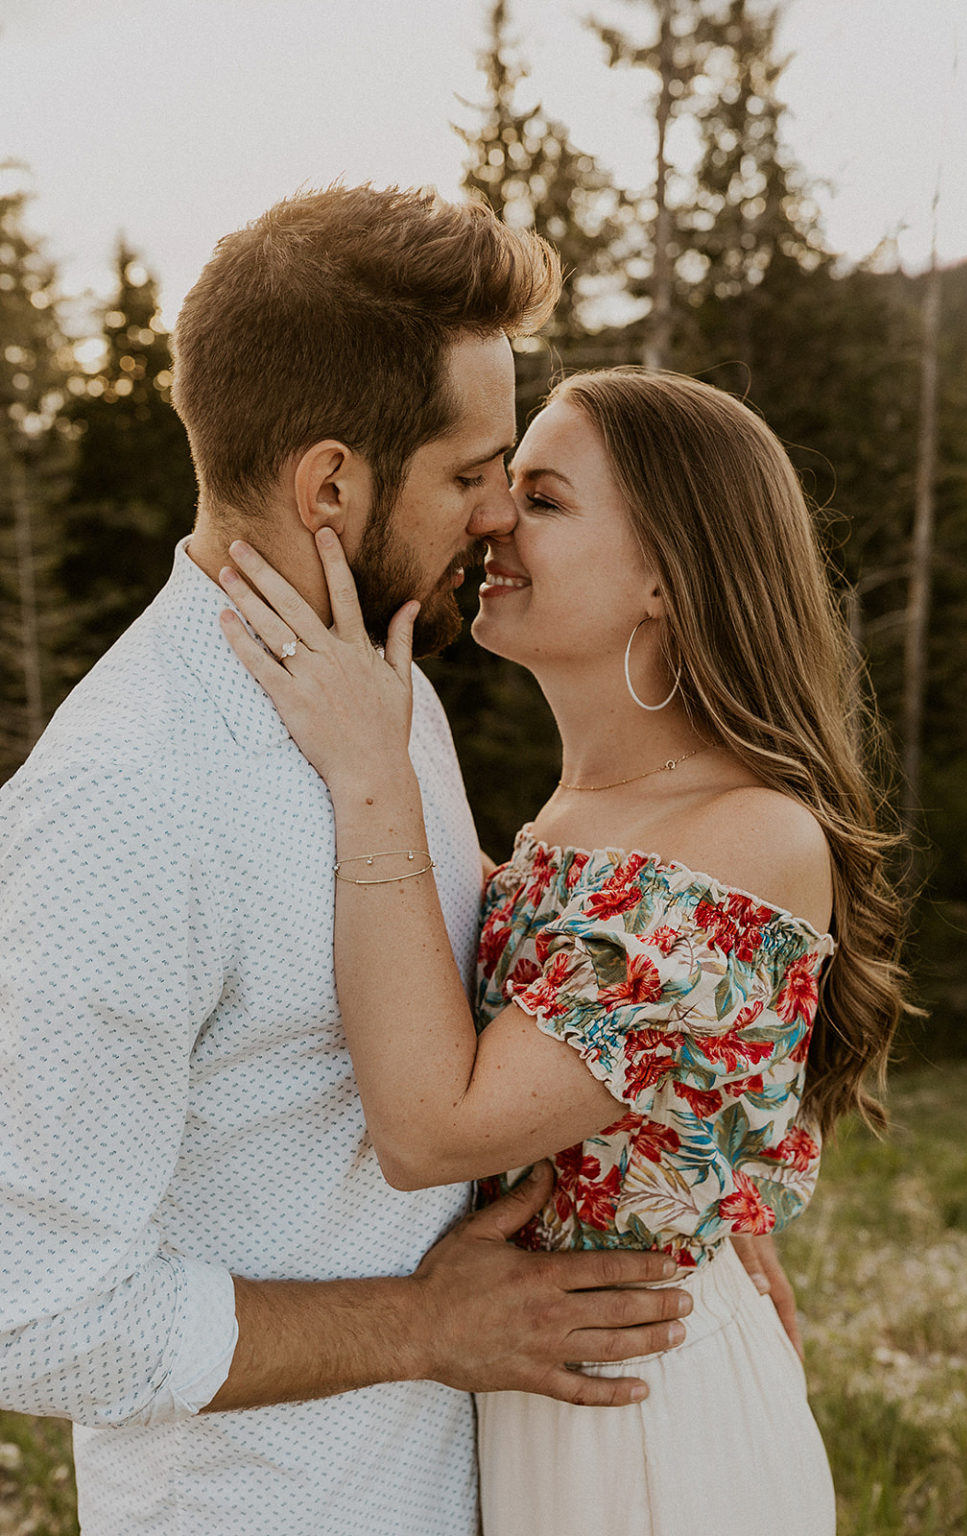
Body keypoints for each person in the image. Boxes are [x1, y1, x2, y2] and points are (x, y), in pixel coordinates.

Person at [0, 187, 713, 1536]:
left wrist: (698, 1189)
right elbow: (32, 1316)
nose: (501, 515)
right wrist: (420, 1327)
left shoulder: (381, 686)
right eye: (469, 472)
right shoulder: (121, 803)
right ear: (331, 484)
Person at [217, 366, 908, 1536]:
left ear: (663, 577)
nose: (491, 519)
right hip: (541, 1404)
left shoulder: (750, 833)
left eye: (541, 498)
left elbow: (434, 1129)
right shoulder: (576, 820)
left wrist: (368, 773)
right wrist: (715, 1203)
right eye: (498, 487)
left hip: (644, 1427)